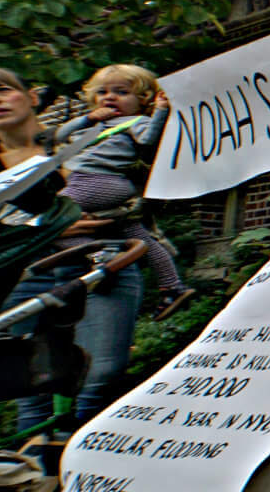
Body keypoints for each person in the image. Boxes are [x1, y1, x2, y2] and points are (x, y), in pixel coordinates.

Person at [0, 68, 139, 433]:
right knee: (32, 382)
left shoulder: (85, 141)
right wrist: (51, 225)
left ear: (32, 97)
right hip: (21, 278)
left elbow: (130, 196)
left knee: (103, 373)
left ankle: (84, 453)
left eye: (2, 89)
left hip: (103, 263)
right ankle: (37, 473)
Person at [47, 64, 189, 316]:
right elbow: (60, 136)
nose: (109, 97)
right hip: (110, 186)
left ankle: (101, 257)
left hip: (92, 182)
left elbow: (147, 139)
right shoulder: (95, 126)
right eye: (102, 92)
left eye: (121, 92)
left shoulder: (136, 121)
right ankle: (173, 286)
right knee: (139, 236)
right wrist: (89, 118)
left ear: (142, 99)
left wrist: (160, 111)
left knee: (52, 223)